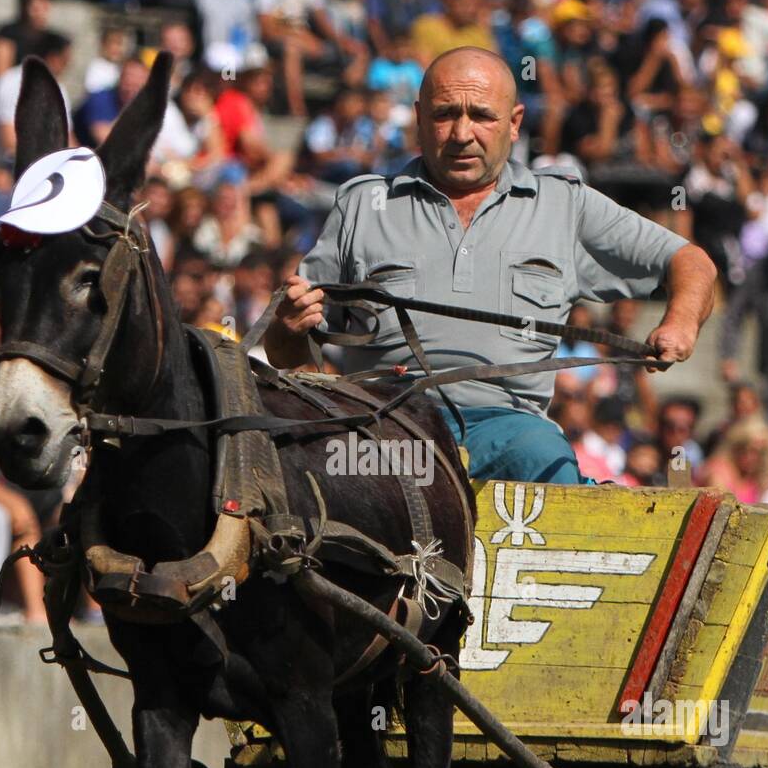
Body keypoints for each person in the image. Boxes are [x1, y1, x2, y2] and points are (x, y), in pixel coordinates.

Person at [265, 46, 717, 484]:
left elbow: (691, 261)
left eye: (481, 115)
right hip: (385, 424)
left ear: (515, 123)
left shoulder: (564, 204)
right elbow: (292, 355)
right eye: (445, 115)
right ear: (419, 118)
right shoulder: (363, 203)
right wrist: (286, 329)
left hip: (510, 431)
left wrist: (679, 323)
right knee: (319, 479)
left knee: (545, 459)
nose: (462, 133)